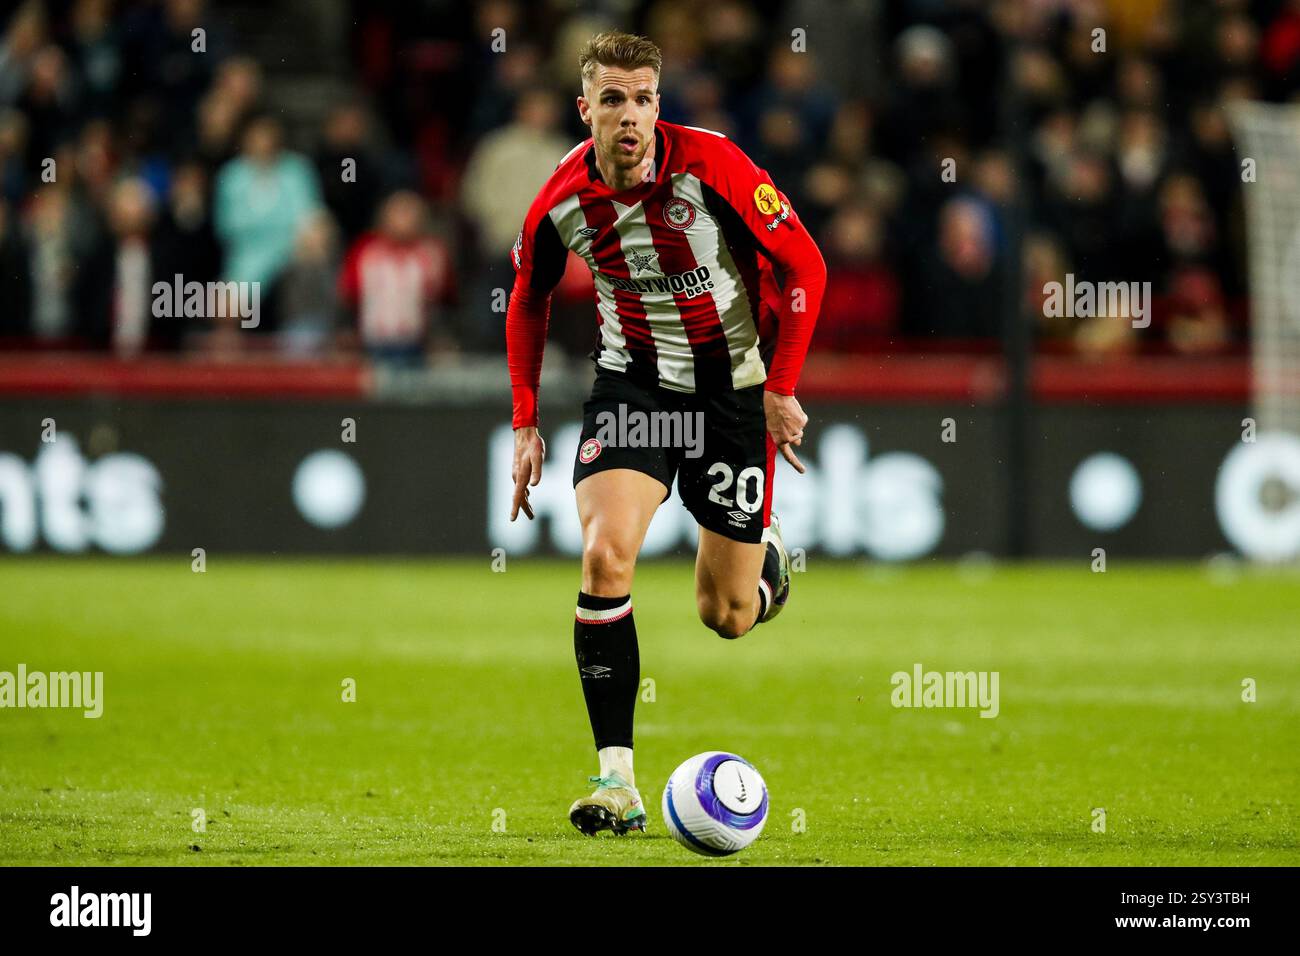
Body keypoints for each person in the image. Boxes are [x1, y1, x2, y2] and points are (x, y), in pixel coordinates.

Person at [505, 31, 826, 836]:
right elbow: (529, 297)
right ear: (586, 110)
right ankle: (616, 781)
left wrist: (781, 389)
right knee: (604, 554)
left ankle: (766, 570)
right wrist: (524, 420)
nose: (630, 116)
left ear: (658, 104)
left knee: (727, 615)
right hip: (635, 387)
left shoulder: (715, 165)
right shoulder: (559, 202)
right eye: (612, 99)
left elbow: (806, 268)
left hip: (731, 394)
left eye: (644, 99)